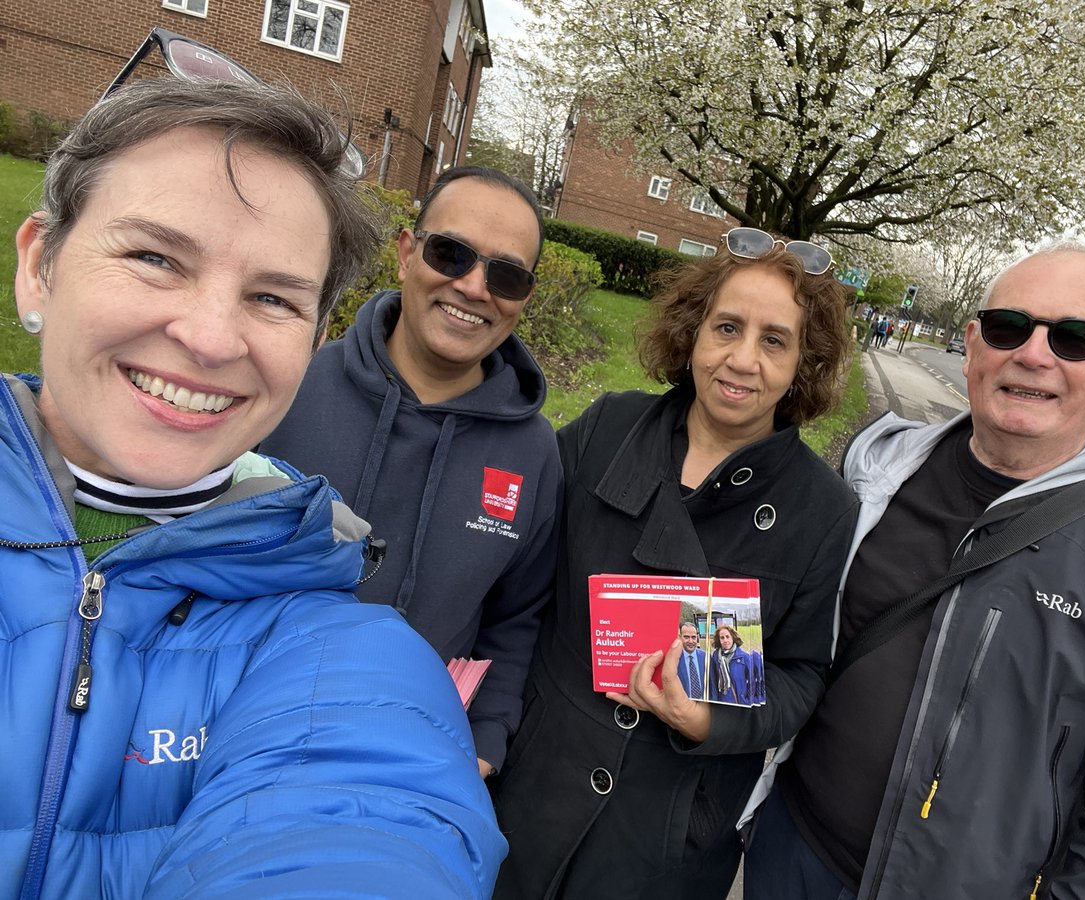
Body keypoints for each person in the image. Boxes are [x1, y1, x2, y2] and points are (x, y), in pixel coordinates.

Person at [3, 71, 505, 898]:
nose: (209, 338)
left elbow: (361, 827)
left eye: (272, 297)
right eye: (154, 257)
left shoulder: (338, 649)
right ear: (38, 266)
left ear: (312, 336)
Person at [743, 244, 1085, 899]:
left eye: (1075, 337)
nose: (1033, 355)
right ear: (972, 344)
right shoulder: (876, 469)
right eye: (1009, 326)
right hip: (789, 851)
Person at [490, 226, 859, 899]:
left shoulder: (822, 509)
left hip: (667, 834)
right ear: (693, 332)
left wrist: (712, 721)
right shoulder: (607, 429)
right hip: (534, 784)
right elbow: (516, 573)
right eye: (727, 328)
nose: (742, 360)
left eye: (774, 341)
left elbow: (802, 675)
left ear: (803, 362)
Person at [260, 165, 561, 779]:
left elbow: (516, 617)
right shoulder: (288, 386)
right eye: (451, 253)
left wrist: (484, 741)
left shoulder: (533, 453)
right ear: (406, 254)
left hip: (413, 762)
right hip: (247, 732)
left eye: (505, 275)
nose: (473, 287)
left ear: (524, 299)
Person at [710, 624, 754, 705]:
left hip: (740, 702)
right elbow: (714, 680)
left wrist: (747, 701)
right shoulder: (716, 657)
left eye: (727, 637)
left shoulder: (744, 657)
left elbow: (753, 680)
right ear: (719, 640)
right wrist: (715, 701)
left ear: (733, 637)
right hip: (723, 702)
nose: (725, 640)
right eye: (722, 638)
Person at [677, 621, 708, 700]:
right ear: (680, 637)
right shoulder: (675, 658)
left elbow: (712, 685)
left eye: (693, 637)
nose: (690, 641)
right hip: (684, 704)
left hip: (703, 704)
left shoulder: (705, 657)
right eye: (686, 637)